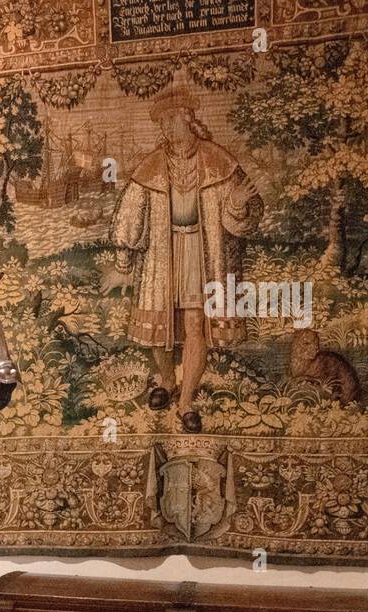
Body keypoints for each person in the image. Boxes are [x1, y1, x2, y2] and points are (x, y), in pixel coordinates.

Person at [111, 86, 262, 433]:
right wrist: (123, 259)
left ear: (187, 118)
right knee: (159, 325)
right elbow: (130, 214)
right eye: (161, 122)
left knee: (195, 325)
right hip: (161, 257)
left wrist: (237, 204)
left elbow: (247, 213)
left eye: (169, 120)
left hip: (203, 253)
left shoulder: (218, 160)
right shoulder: (151, 165)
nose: (164, 128)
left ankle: (186, 401)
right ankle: (166, 381)